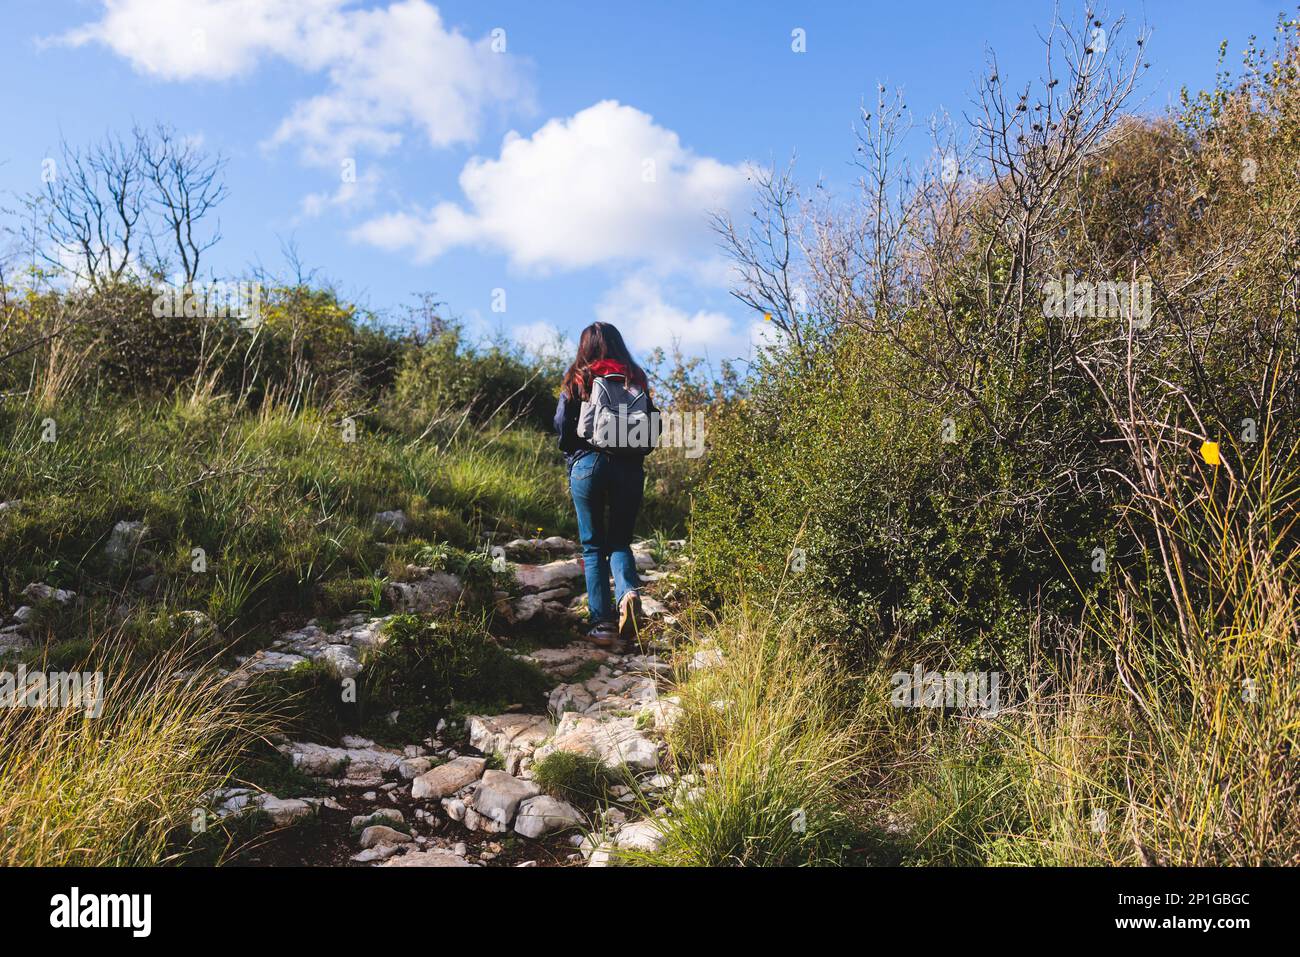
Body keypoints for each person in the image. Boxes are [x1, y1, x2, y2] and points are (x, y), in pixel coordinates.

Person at [553, 322, 652, 646]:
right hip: (628, 468)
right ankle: (627, 596)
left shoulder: (578, 377)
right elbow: (652, 430)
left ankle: (602, 625)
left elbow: (562, 426)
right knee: (620, 541)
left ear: (585, 346)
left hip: (588, 464)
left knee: (593, 546)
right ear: (618, 344)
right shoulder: (634, 379)